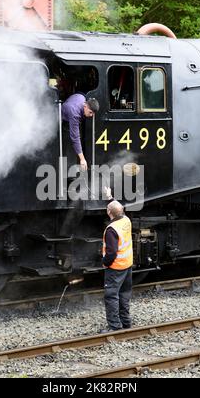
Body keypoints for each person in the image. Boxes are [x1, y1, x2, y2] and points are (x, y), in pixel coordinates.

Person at [101, 187, 133, 332]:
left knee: (111, 296)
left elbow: (112, 252)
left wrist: (105, 263)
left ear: (109, 213)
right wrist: (110, 197)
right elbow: (117, 208)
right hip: (127, 265)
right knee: (124, 294)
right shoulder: (126, 220)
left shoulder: (111, 229)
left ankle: (114, 327)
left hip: (116, 267)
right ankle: (126, 322)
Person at [62, 94, 99, 171]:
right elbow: (75, 138)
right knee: (71, 141)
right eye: (90, 112)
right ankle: (69, 168)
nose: (92, 115)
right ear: (85, 106)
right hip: (62, 120)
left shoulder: (82, 97)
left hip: (69, 107)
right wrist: (82, 159)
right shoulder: (75, 113)